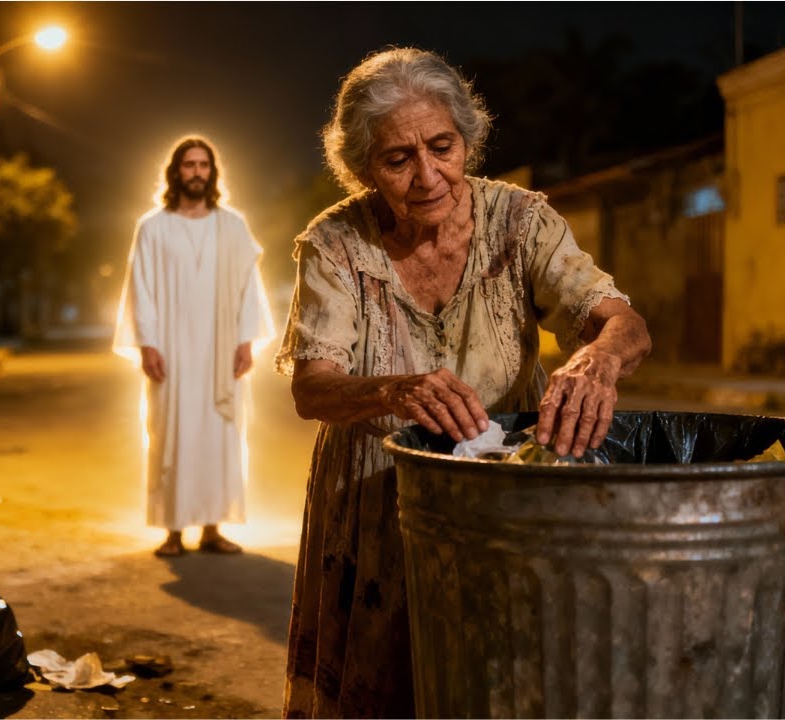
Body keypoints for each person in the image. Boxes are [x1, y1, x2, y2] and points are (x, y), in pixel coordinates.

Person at [275, 48, 652, 717]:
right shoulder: (335, 244)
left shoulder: (520, 221)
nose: (427, 176)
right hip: (376, 500)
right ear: (364, 167)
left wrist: (596, 360)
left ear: (467, 139)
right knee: (385, 682)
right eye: (398, 159)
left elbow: (623, 324)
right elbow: (313, 388)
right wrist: (391, 391)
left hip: (506, 501)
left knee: (509, 679)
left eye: (442, 146)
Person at [114, 136, 274, 558]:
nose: (197, 172)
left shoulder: (233, 226)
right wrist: (147, 343)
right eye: (190, 165)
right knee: (170, 434)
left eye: (204, 164)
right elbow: (141, 290)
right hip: (171, 352)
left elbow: (249, 289)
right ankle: (172, 530)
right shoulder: (153, 227)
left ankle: (212, 528)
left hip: (221, 353)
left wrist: (245, 340)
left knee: (219, 437)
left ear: (213, 172)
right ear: (176, 171)